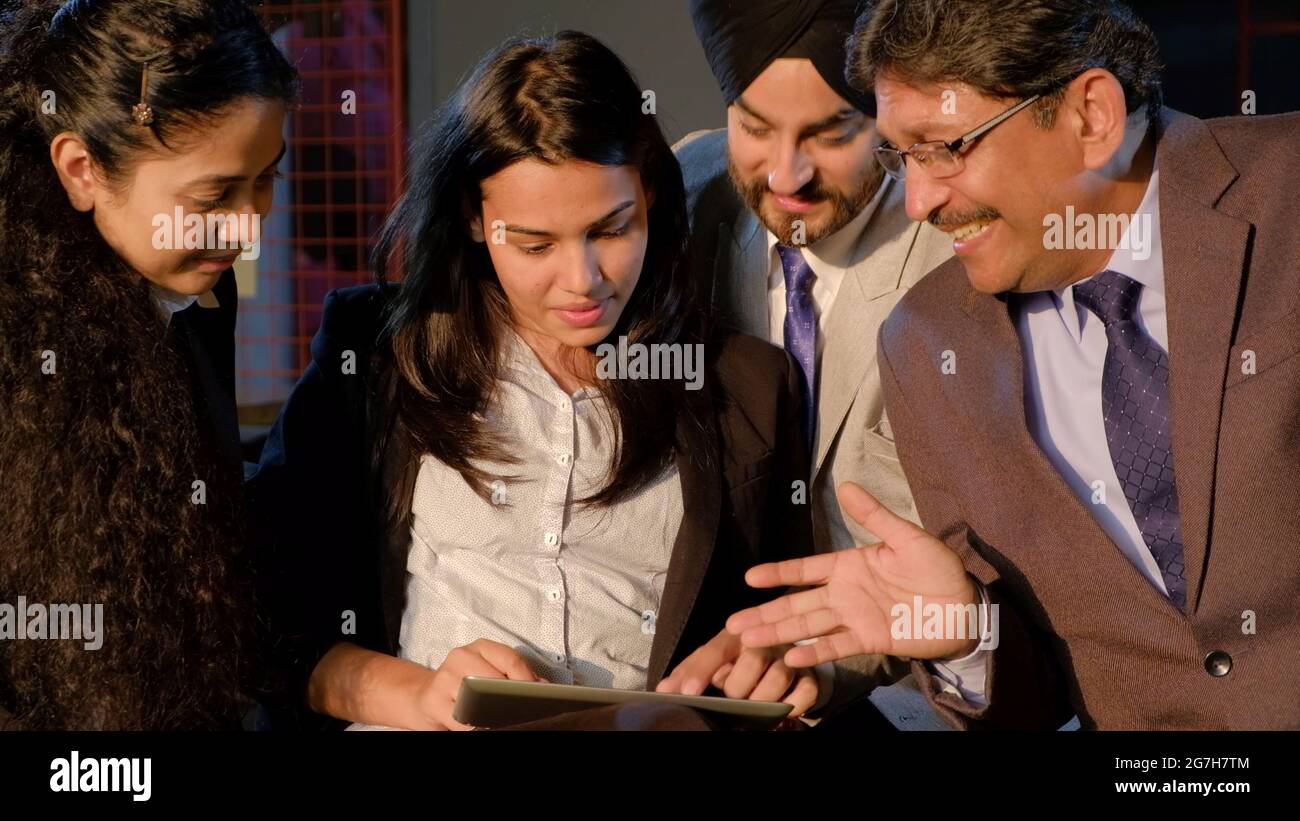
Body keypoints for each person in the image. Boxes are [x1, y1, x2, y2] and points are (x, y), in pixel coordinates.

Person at [727, 0, 1300, 729]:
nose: (919, 201)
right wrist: (970, 634)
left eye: (945, 149)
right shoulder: (926, 345)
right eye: (901, 157)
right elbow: (1033, 699)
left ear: (1091, 115)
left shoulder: (1287, 188)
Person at [249, 30, 816, 731]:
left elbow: (790, 630)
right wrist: (415, 692)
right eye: (535, 244)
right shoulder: (377, 354)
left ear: (651, 198)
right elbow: (259, 617)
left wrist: (777, 659)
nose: (582, 281)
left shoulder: (747, 389)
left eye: (612, 229)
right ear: (472, 218)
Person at [0, 0, 297, 729]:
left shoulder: (194, 280)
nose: (249, 224)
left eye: (265, 179)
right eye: (215, 195)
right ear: (81, 169)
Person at [676, 0, 954, 724]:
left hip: (912, 694)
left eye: (830, 133)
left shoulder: (962, 256)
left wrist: (827, 665)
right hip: (706, 679)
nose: (786, 175)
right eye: (755, 129)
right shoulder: (686, 193)